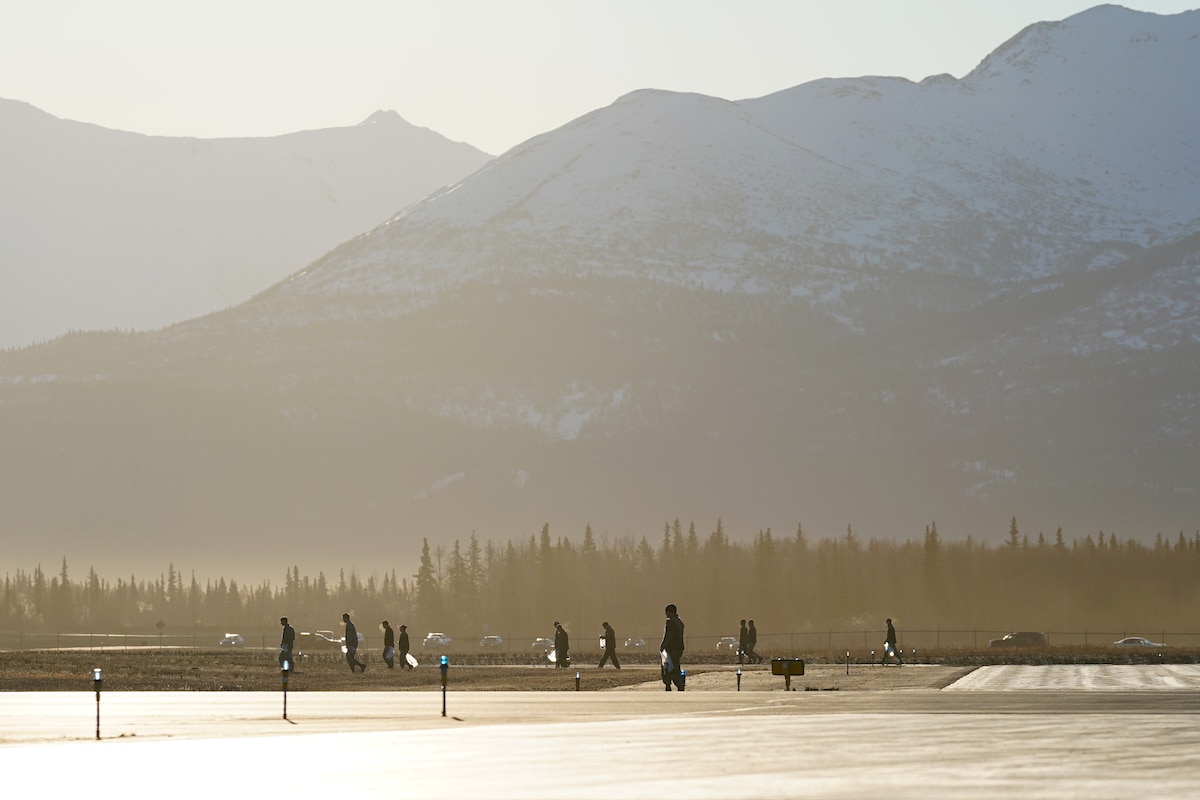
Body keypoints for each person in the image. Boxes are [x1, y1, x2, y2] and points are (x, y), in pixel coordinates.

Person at [660, 603, 685, 691]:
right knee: (676, 666)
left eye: (666, 612)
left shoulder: (671, 623)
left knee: (667, 667)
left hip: (671, 649)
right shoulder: (680, 622)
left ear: (670, 612)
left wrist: (663, 646)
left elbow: (669, 636)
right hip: (679, 648)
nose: (666, 614)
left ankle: (669, 684)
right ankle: (679, 684)